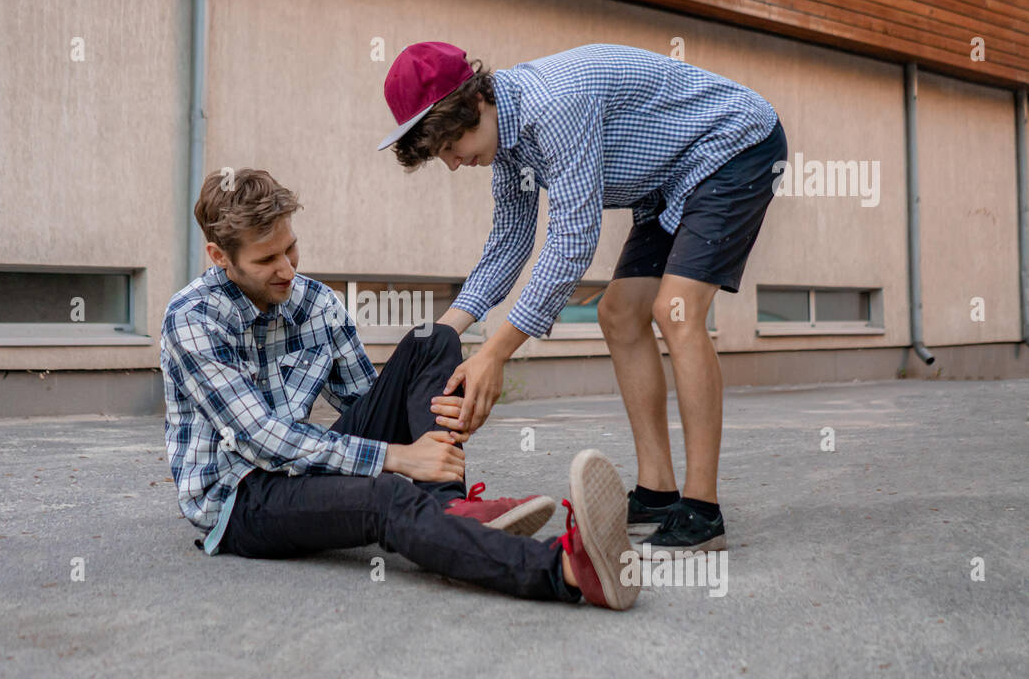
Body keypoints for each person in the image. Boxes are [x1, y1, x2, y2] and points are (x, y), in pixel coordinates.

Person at [160, 167, 640, 609]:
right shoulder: (193, 319)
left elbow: (368, 402)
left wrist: (434, 422)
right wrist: (397, 457)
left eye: (291, 249)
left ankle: (448, 506)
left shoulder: (315, 303)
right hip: (241, 497)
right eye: (267, 259)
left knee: (434, 339)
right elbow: (261, 438)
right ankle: (567, 570)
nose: (287, 270)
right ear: (221, 258)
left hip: (301, 469)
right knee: (386, 497)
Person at [378, 41, 789, 554]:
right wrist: (443, 332)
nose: (454, 164)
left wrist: (495, 354)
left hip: (733, 146)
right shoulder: (508, 145)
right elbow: (509, 245)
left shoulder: (556, 103)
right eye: (441, 156)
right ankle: (657, 492)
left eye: (450, 146)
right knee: (619, 313)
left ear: (474, 102)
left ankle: (703, 512)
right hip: (667, 179)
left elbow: (571, 243)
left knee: (676, 310)